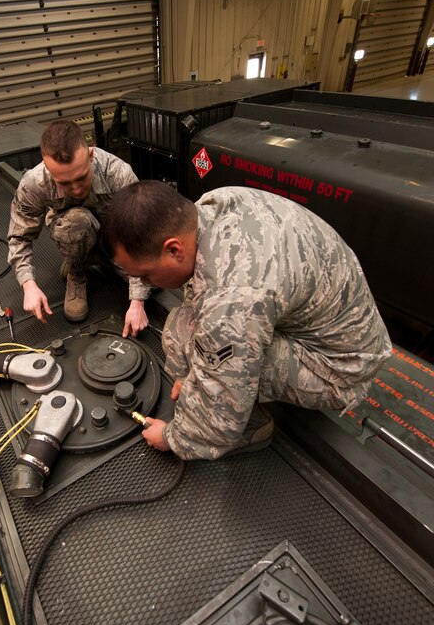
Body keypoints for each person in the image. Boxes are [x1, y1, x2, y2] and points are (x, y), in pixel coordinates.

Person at [101, 181, 392, 461]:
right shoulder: (212, 206)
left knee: (202, 349)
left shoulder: (233, 297)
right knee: (185, 327)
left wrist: (172, 437)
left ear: (174, 249)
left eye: (146, 275)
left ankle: (252, 428)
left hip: (339, 369)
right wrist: (188, 378)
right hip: (337, 328)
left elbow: (223, 397)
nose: (144, 282)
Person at [7, 119, 150, 335]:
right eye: (64, 182)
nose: (75, 189)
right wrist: (28, 285)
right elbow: (19, 236)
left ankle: (104, 260)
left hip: (117, 239)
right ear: (47, 168)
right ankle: (77, 268)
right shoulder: (34, 183)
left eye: (82, 178)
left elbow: (141, 236)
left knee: (154, 282)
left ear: (91, 155)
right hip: (76, 233)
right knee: (75, 222)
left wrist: (137, 302)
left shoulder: (119, 174)